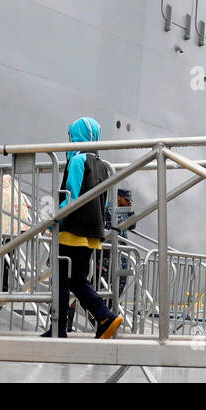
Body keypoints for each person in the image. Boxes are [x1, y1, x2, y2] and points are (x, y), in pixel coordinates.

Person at [44, 117, 123, 339]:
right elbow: (105, 201)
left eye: (70, 136)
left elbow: (72, 195)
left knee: (61, 279)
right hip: (91, 233)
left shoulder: (77, 161)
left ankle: (62, 327)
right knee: (76, 278)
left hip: (72, 230)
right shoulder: (101, 165)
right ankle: (103, 318)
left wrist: (55, 218)